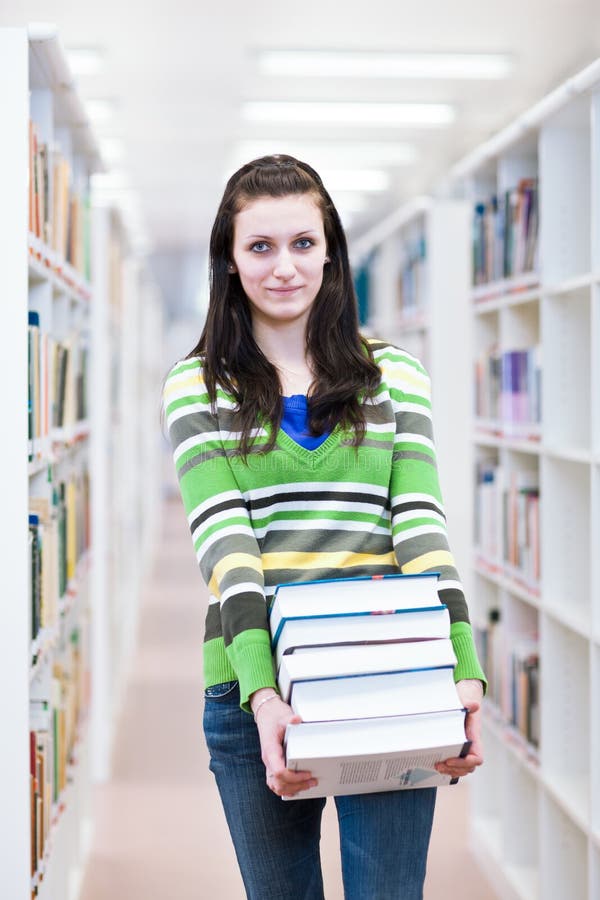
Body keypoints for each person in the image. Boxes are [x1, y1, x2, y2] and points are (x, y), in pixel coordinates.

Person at [163, 154, 486, 900]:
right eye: (261, 246)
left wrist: (462, 669)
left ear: (331, 252)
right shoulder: (197, 386)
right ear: (230, 259)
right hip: (255, 682)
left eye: (303, 243)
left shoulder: (394, 374)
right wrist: (265, 696)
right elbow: (228, 552)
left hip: (389, 672)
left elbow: (420, 527)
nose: (284, 267)